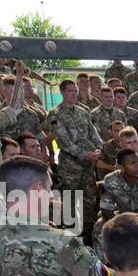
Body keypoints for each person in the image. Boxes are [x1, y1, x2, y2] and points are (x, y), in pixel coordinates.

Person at [48, 79, 103, 235]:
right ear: (63, 92)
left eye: (75, 91)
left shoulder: (83, 111)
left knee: (90, 201)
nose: (74, 94)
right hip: (71, 167)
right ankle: (71, 237)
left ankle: (88, 237)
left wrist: (99, 149)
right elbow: (63, 141)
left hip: (88, 166)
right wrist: (85, 154)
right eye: (70, 91)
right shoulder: (55, 114)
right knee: (71, 202)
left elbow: (93, 133)